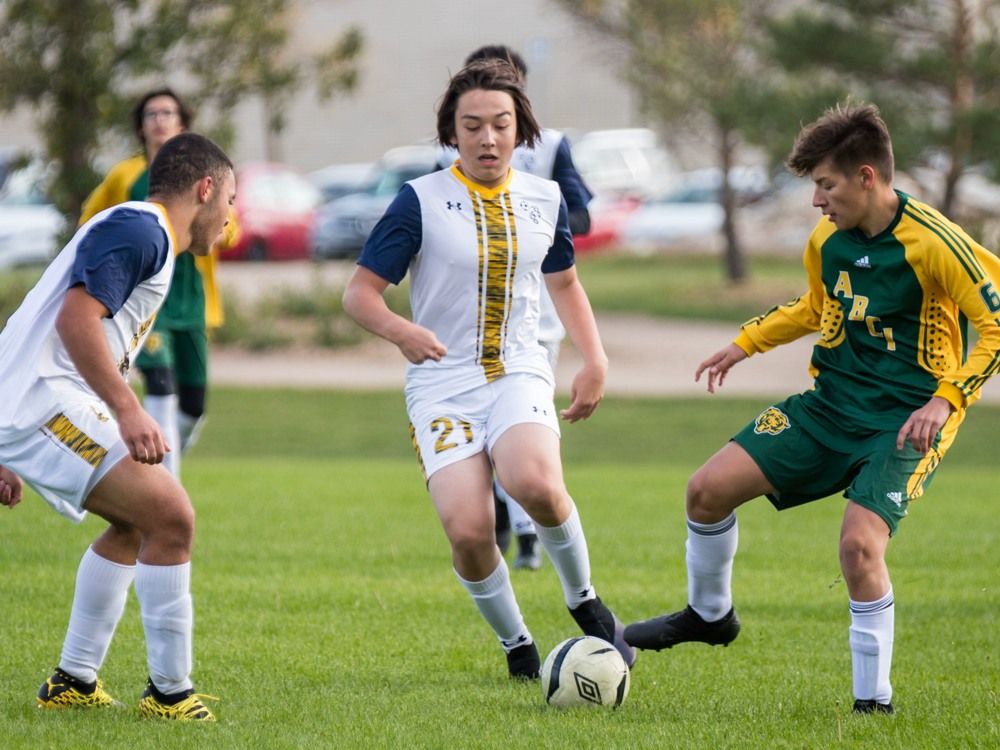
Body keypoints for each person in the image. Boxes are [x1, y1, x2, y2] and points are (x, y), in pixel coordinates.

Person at [624, 102, 1000, 714]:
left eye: (825, 184)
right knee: (706, 491)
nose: (817, 201)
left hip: (905, 420)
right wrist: (744, 344)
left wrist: (945, 398)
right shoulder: (826, 238)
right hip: (830, 406)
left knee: (858, 546)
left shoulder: (936, 243)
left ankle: (872, 705)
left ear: (867, 178)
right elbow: (815, 306)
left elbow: (996, 324)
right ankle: (709, 615)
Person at [342, 58, 635, 679]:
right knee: (470, 532)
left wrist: (595, 359)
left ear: (520, 129)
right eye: (471, 125)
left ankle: (584, 600)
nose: (487, 137)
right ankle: (518, 646)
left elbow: (566, 283)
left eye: (500, 124)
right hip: (442, 384)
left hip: (518, 370)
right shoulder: (419, 201)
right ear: (452, 132)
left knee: (534, 482)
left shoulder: (544, 198)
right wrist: (401, 331)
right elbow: (359, 294)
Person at [0, 132, 235, 720]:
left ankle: (74, 681)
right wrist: (129, 411)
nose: (232, 215)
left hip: (30, 404)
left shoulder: (139, 231)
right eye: (231, 198)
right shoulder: (143, 230)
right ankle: (170, 693)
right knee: (172, 516)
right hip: (41, 404)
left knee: (135, 524)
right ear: (205, 189)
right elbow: (75, 320)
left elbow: (31, 325)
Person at [438, 44, 595, 571]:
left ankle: (527, 536)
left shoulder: (551, 148)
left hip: (534, 326)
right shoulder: (444, 159)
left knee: (520, 442)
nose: (488, 136)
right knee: (483, 449)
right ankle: (503, 528)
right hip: (459, 338)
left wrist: (535, 219)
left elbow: (582, 218)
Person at [79, 88, 237, 478]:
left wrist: (217, 228)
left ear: (182, 121)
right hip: (151, 304)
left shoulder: (208, 176)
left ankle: (155, 463)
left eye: (167, 112)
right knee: (161, 388)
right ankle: (168, 495)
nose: (159, 120)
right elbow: (91, 220)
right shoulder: (126, 176)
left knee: (193, 407)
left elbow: (232, 229)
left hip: (191, 302)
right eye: (151, 114)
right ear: (140, 126)